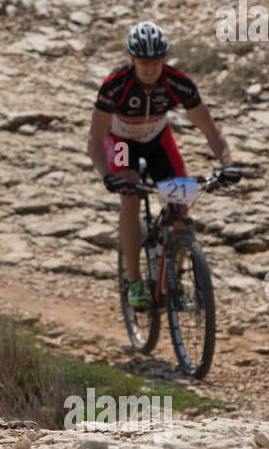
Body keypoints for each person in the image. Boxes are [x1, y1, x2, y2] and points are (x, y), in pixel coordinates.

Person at [87, 21, 239, 309]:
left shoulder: (176, 82)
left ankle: (174, 278)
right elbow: (95, 138)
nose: (150, 68)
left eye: (156, 61)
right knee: (130, 197)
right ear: (132, 59)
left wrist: (228, 164)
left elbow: (211, 130)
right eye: (144, 61)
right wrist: (107, 175)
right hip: (120, 142)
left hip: (158, 139)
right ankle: (133, 282)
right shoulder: (115, 85)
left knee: (181, 203)